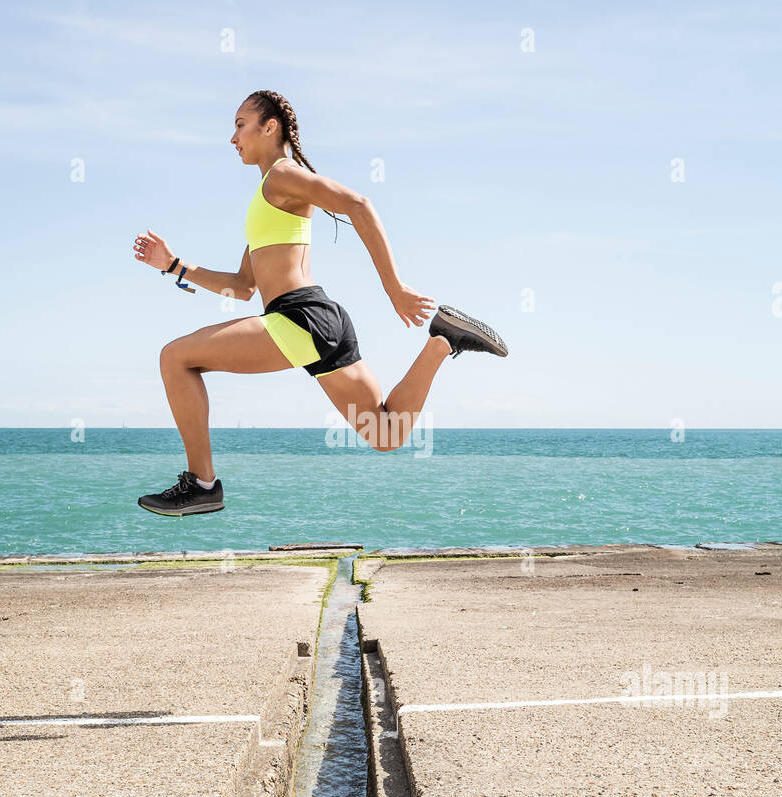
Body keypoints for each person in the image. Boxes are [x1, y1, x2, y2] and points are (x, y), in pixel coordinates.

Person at [133, 89, 507, 516]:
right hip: (320, 320)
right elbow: (242, 286)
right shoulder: (266, 193)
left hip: (298, 318)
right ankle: (442, 339)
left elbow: (357, 204)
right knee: (386, 433)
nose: (232, 137)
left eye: (240, 125)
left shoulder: (280, 176)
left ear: (269, 127)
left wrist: (395, 288)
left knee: (174, 358)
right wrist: (174, 265)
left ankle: (202, 484)